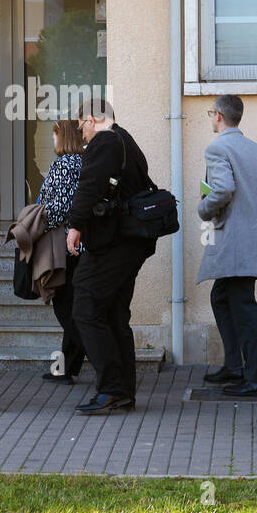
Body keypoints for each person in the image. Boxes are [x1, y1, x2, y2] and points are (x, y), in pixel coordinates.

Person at [65, 98, 157, 415]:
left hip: (113, 244)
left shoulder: (104, 142)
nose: (81, 133)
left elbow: (89, 187)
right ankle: (123, 391)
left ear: (92, 120)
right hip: (131, 243)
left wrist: (74, 227)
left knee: (86, 307)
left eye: (81, 126)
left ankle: (110, 388)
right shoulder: (125, 140)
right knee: (116, 315)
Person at [196, 94, 257, 397]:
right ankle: (234, 365)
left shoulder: (217, 148)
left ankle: (256, 379)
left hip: (232, 241)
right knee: (222, 297)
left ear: (218, 115)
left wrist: (203, 208)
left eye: (210, 113)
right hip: (251, 241)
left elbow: (223, 189)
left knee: (243, 307)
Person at [35, 118, 87, 384]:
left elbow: (62, 207)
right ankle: (66, 368)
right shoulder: (82, 162)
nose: (52, 141)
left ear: (64, 137)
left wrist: (38, 218)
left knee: (65, 306)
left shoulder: (65, 164)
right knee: (73, 305)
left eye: (55, 135)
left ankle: (94, 349)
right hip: (78, 245)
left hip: (65, 245)